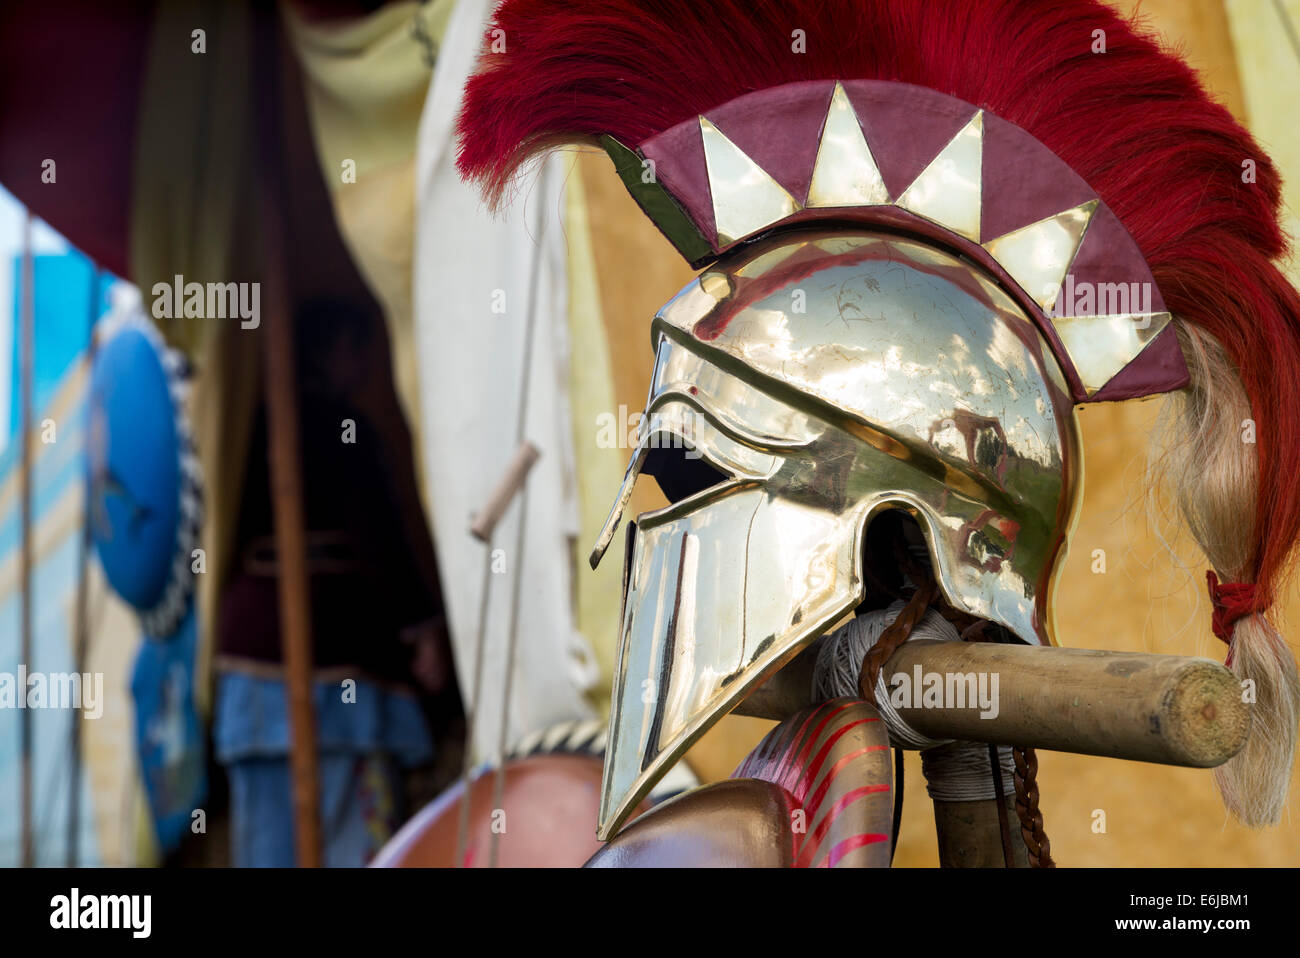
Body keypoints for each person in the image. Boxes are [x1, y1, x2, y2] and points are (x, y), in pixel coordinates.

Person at [213, 299, 450, 867]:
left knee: (267, 843)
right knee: (349, 835)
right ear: (338, 347)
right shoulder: (341, 429)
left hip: (246, 663)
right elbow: (378, 535)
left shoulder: (238, 423)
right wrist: (421, 629)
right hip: (333, 647)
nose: (368, 368)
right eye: (361, 351)